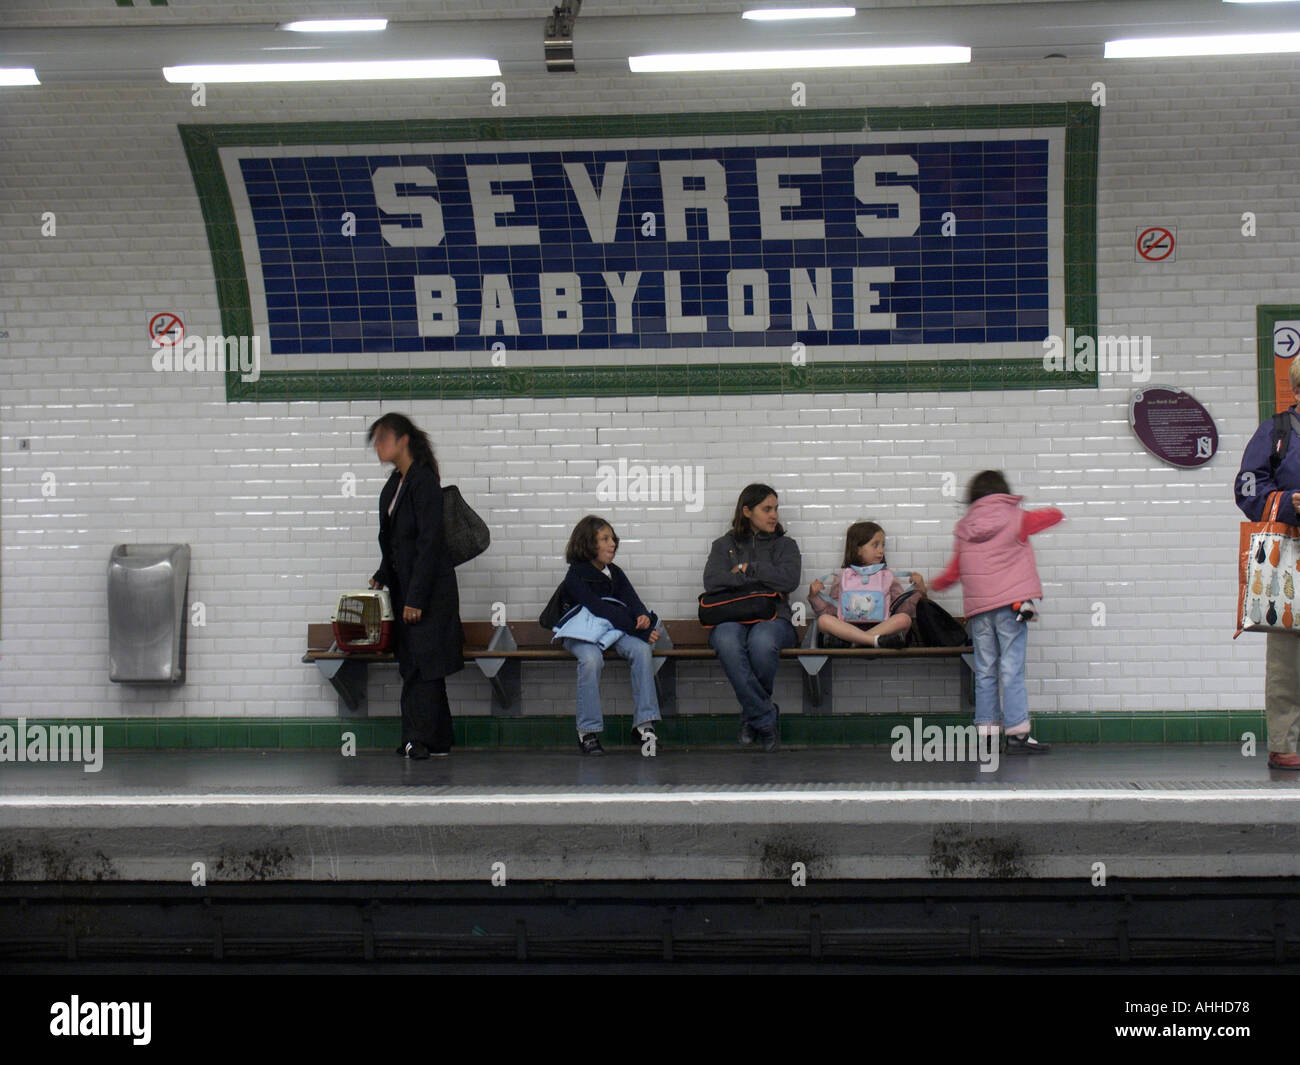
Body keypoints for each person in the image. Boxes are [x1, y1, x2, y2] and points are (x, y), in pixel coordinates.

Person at [926, 471, 1062, 753]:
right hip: (1011, 607)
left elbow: (955, 571)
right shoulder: (1016, 518)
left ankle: (987, 737)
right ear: (1002, 493)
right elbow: (1050, 517)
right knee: (1011, 669)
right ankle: (1017, 734)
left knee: (985, 670)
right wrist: (1057, 512)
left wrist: (937, 584)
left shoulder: (965, 527)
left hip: (979, 611)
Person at [367, 413, 464, 759]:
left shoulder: (423, 482)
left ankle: (419, 737)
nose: (377, 447)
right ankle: (432, 738)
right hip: (406, 589)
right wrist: (383, 572)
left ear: (403, 440)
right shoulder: (397, 483)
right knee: (416, 665)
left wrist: (416, 599)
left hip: (427, 594)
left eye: (382, 439)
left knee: (422, 666)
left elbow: (429, 544)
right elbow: (395, 541)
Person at [1235, 361, 1300, 769]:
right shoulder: (1275, 432)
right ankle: (1285, 742)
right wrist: (1288, 503)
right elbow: (1247, 487)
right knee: (1287, 659)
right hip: (1288, 557)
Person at [702, 484, 801, 752]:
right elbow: (712, 581)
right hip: (730, 618)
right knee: (727, 642)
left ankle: (751, 717)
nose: (774, 515)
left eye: (776, 509)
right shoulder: (724, 545)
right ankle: (764, 717)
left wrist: (747, 568)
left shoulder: (786, 546)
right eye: (766, 509)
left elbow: (789, 580)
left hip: (774, 619)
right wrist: (765, 581)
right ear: (747, 511)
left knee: (761, 643)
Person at [555, 515, 662, 755]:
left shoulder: (614, 572)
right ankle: (587, 731)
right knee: (591, 660)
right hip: (582, 633)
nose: (612, 543)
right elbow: (599, 609)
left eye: (612, 538)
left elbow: (632, 600)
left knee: (641, 650)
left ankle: (644, 724)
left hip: (611, 631)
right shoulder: (575, 576)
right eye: (604, 539)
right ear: (587, 544)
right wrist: (639, 631)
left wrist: (642, 616)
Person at [808, 521, 925, 648]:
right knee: (824, 620)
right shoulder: (843, 577)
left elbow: (902, 609)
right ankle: (872, 642)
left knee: (904, 619)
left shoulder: (888, 576)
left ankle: (854, 643)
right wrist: (814, 596)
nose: (881, 550)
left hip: (882, 628)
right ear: (857, 549)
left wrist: (918, 590)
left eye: (883, 545)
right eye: (875, 545)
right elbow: (831, 611)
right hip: (850, 629)